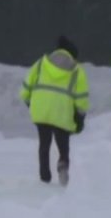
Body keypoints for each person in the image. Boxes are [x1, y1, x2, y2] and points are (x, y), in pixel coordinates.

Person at [21, 35, 90, 185]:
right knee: (63, 144)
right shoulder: (77, 70)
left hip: (41, 110)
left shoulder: (40, 64)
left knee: (44, 144)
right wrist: (80, 117)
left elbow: (25, 89)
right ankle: (63, 164)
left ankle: (44, 177)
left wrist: (31, 104)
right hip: (62, 112)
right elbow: (81, 98)